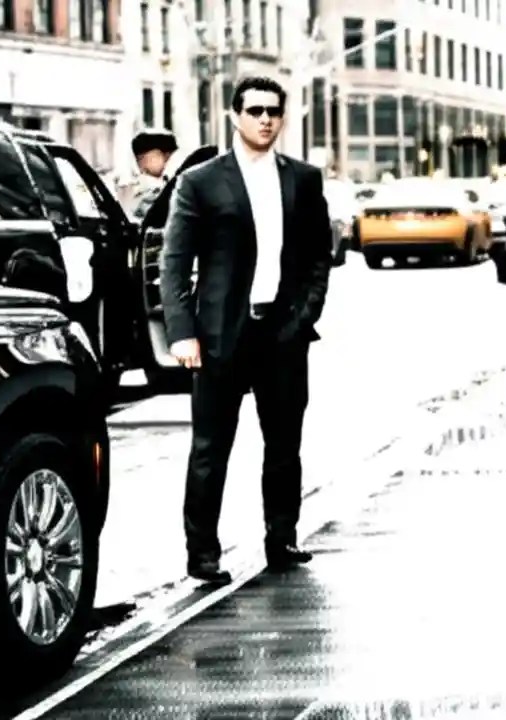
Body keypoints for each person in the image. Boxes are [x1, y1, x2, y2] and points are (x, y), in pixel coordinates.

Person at [158, 76, 333, 585]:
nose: (265, 119)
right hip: (218, 338)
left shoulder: (303, 179)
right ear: (235, 115)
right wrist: (182, 332)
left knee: (284, 446)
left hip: (283, 334)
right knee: (211, 449)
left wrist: (305, 316)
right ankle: (203, 553)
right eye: (255, 110)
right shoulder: (201, 181)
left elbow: (318, 256)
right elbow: (174, 264)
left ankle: (282, 538)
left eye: (274, 111)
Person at [128, 129, 186, 222]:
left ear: (156, 153)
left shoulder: (177, 169)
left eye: (141, 159)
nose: (141, 168)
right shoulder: (172, 172)